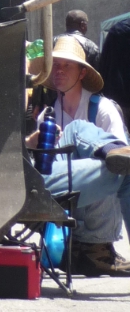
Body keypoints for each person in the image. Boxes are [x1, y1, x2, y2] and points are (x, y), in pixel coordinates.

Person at [29, 35, 130, 276]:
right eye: (56, 65)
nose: (59, 71)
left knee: (115, 164)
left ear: (82, 73)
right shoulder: (47, 116)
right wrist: (35, 143)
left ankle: (96, 245)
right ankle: (86, 248)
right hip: (53, 189)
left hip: (87, 197)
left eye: (67, 65)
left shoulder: (102, 108)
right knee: (79, 134)